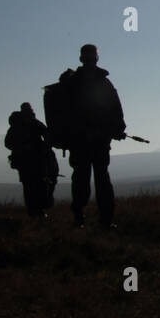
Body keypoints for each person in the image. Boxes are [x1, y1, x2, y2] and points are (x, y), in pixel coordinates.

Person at [65, 44, 127, 229]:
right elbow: (115, 108)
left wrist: (116, 128)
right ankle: (100, 220)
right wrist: (116, 129)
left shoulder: (75, 82)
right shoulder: (98, 82)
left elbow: (114, 108)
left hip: (86, 141)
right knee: (97, 180)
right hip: (89, 140)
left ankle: (83, 218)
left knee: (86, 179)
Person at [4, 102, 57, 220]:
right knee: (37, 186)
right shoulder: (33, 124)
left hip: (29, 162)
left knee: (31, 187)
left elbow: (8, 143)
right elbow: (8, 143)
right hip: (32, 162)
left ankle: (35, 211)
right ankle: (38, 211)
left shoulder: (23, 125)